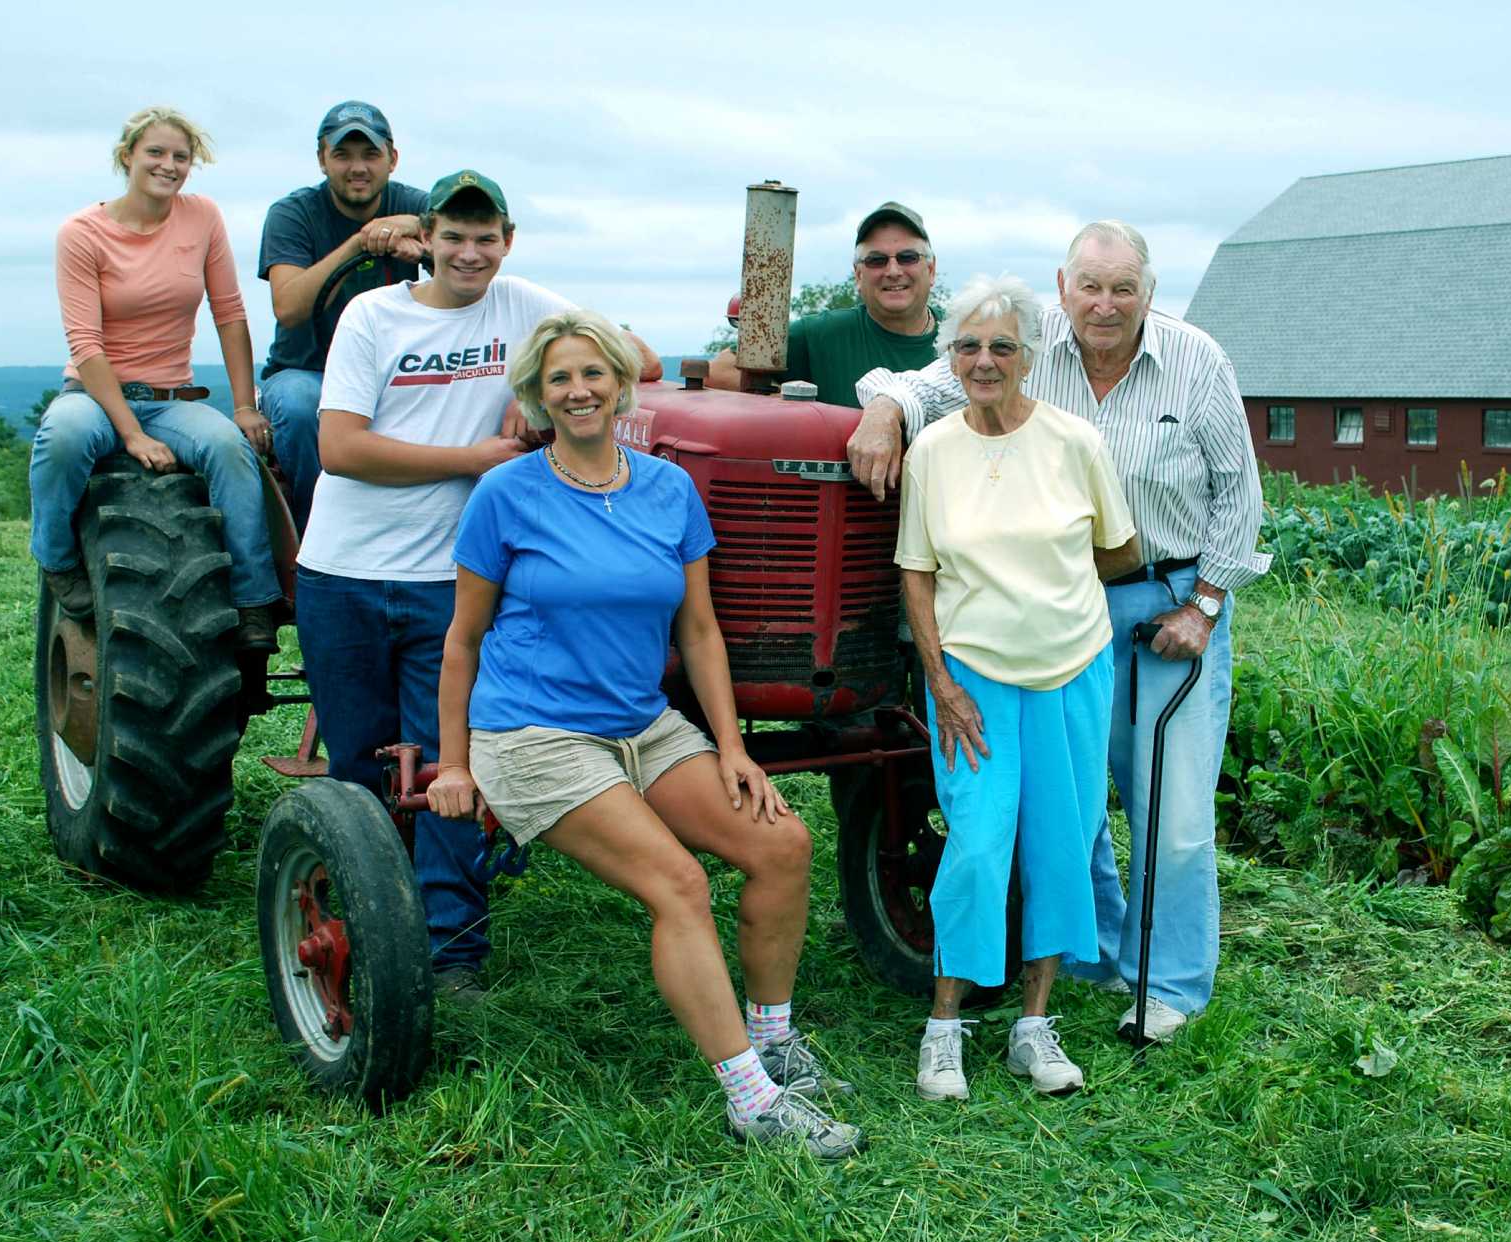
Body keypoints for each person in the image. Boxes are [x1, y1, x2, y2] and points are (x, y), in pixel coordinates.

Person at [428, 311, 864, 1158]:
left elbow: (699, 630)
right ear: (536, 395)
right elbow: (463, 639)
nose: (578, 390)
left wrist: (731, 747)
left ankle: (774, 1039)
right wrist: (453, 762)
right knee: (677, 884)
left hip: (642, 724)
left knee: (783, 845)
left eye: (592, 373)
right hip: (533, 731)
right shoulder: (507, 494)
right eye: (559, 379)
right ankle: (752, 1101)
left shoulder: (668, 489)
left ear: (622, 385)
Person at [852, 222, 1270, 1043]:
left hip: (1169, 593)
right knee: (1075, 800)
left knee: (1171, 804)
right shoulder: (1028, 343)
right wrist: (882, 410)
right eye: (1090, 285)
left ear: (1149, 289)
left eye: (1123, 287)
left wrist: (1206, 602)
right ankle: (1103, 950)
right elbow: (931, 379)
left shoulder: (1197, 361)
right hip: (1064, 604)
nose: (1105, 303)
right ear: (1064, 286)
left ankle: (1170, 984)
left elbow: (1239, 491)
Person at [297, 169, 573, 1000]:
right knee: (359, 763)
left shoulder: (521, 305)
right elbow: (342, 447)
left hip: (447, 581)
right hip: (342, 570)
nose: (470, 252)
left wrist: (535, 400)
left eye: (486, 237)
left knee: (451, 764)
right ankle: (368, 921)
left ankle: (451, 951)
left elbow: (627, 354)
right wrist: (470, 458)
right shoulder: (372, 317)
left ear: (507, 242)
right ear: (428, 240)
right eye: (454, 236)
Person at [896, 275, 1140, 1101]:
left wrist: (1053, 601)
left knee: (1062, 843)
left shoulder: (1076, 442)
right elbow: (918, 575)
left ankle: (1033, 1027)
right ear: (950, 356)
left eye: (1002, 345)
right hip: (971, 679)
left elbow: (1119, 553)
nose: (984, 360)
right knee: (975, 844)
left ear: (1030, 356)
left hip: (1073, 669)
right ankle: (943, 1030)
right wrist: (942, 681)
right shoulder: (932, 449)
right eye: (968, 345)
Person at [31, 105, 281, 654]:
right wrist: (132, 434)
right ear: (128, 157)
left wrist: (243, 406)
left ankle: (254, 601)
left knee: (231, 452)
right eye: (156, 153)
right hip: (97, 394)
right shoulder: (81, 233)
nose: (169, 166)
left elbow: (230, 314)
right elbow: (86, 344)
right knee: (64, 438)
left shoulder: (202, 217)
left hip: (173, 395)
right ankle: (57, 557)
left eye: (180, 157)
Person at [256, 102, 431, 535]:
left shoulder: (418, 206)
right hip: (308, 370)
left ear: (392, 158)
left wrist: (420, 234)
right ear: (322, 160)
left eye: (370, 155)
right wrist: (360, 244)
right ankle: (315, 534)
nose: (358, 168)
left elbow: (473, 245)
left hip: (398, 372)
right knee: (299, 409)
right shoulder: (292, 214)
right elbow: (289, 306)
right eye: (343, 155)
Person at [706, 202, 941, 406]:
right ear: (858, 276)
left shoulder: (962, 338)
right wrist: (789, 402)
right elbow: (718, 371)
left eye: (907, 257)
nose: (893, 271)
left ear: (931, 270)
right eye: (876, 260)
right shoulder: (821, 335)